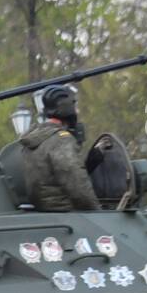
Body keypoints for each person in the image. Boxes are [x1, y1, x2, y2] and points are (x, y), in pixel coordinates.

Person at [19, 84, 101, 212]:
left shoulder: (34, 139)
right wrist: (98, 212)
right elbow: (77, 186)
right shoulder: (61, 140)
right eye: (74, 106)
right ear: (66, 108)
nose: (77, 111)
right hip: (67, 212)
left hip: (46, 212)